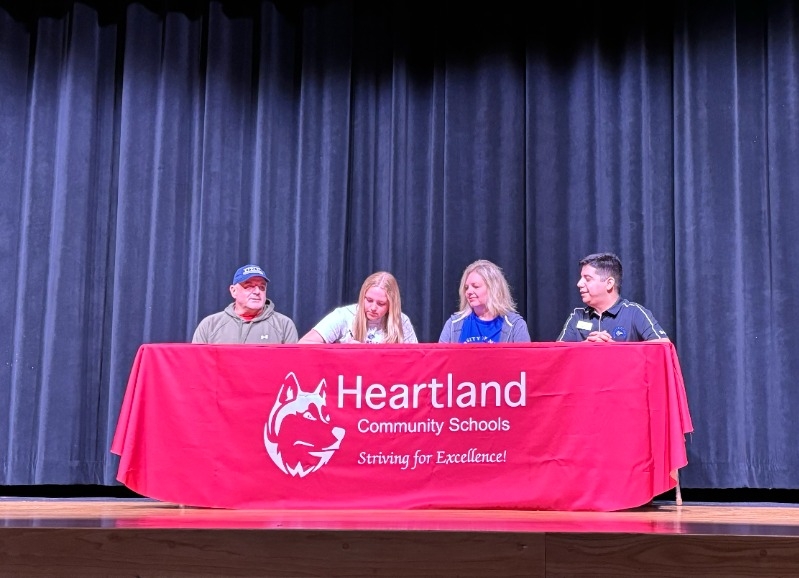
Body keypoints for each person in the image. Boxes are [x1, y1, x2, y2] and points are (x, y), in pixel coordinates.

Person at [557, 252, 669, 342]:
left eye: (587, 279)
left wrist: (615, 350)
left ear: (609, 283)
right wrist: (586, 347)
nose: (579, 284)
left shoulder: (634, 313)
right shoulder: (577, 316)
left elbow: (663, 345)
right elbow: (558, 355)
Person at [299, 271, 418, 344]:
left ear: (392, 305)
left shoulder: (401, 321)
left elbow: (415, 360)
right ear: (362, 297)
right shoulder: (343, 316)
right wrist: (342, 350)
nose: (373, 307)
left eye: (381, 303)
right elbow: (304, 344)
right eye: (369, 300)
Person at [192, 264, 298, 344]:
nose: (257, 292)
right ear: (233, 291)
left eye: (262, 287)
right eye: (249, 286)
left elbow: (292, 368)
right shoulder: (210, 325)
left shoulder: (284, 325)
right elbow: (196, 366)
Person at [439, 259, 531, 343]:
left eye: (476, 286)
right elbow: (439, 359)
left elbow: (524, 360)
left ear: (493, 288)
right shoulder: (453, 324)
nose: (469, 292)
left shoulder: (515, 325)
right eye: (466, 288)